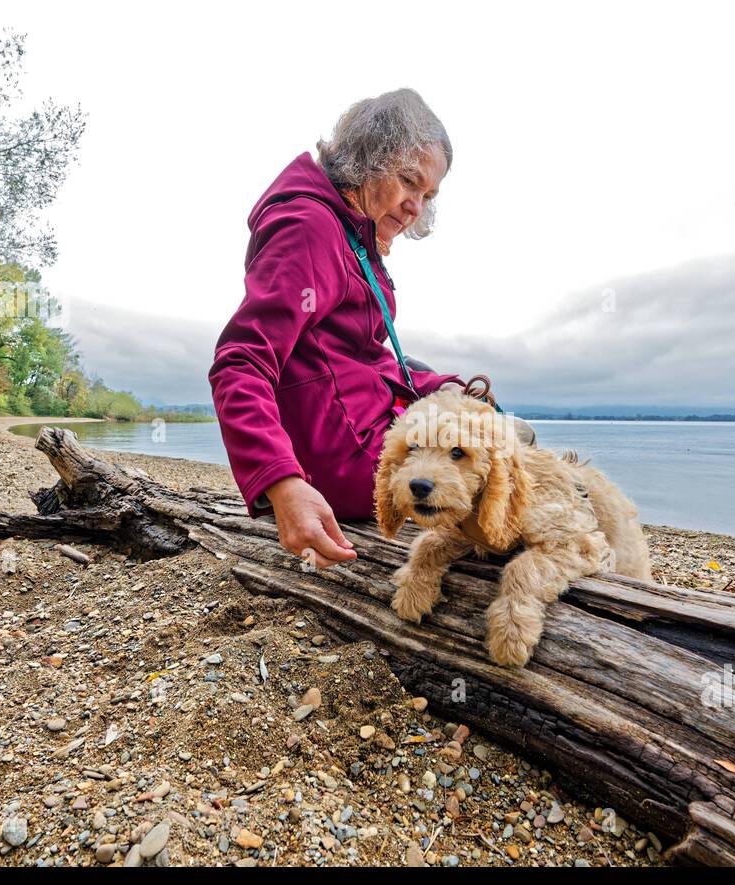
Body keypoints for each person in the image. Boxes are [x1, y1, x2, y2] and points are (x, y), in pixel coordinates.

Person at [211, 89, 518, 570]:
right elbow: (240, 362)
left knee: (456, 398)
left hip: (368, 428)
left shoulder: (351, 230)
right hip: (354, 461)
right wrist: (283, 483)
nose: (415, 205)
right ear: (368, 158)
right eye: (409, 182)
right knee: (502, 480)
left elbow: (364, 358)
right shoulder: (310, 227)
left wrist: (450, 388)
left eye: (427, 195)